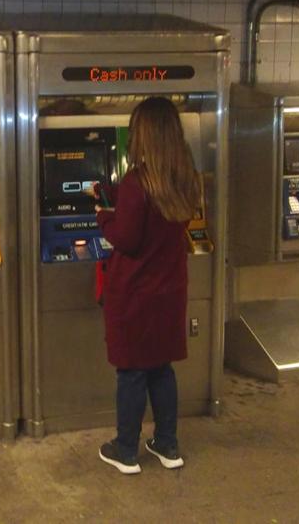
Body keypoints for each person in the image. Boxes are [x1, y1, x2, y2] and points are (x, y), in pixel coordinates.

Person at [94, 96, 200, 475]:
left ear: (143, 135)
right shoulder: (183, 178)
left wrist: (102, 217)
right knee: (161, 369)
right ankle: (167, 445)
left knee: (132, 371)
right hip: (169, 291)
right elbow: (160, 226)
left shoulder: (136, 183)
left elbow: (127, 238)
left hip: (136, 292)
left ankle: (126, 450)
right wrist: (114, 204)